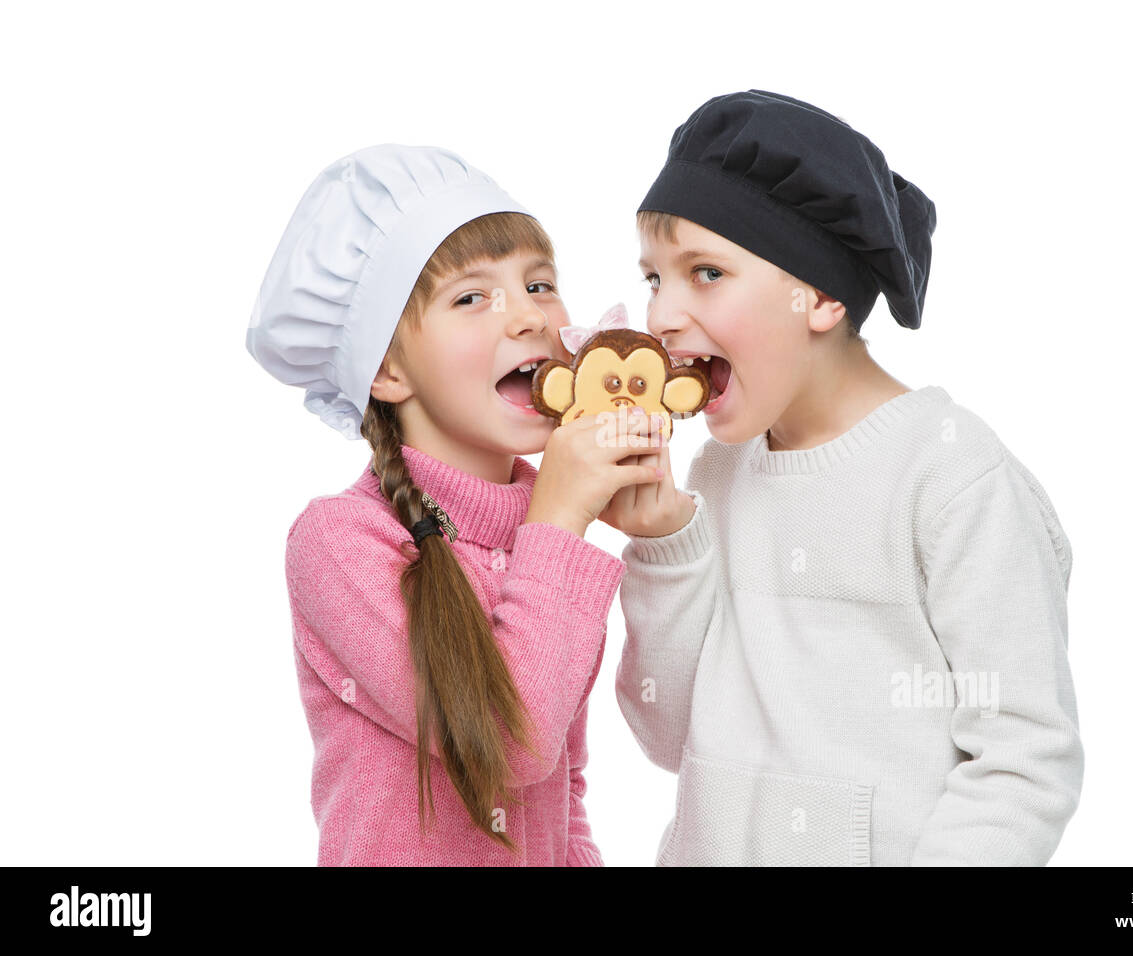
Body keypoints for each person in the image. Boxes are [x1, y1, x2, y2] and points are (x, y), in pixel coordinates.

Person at [604, 91, 1084, 866]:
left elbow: (1023, 760)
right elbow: (669, 737)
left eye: (705, 272)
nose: (660, 316)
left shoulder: (950, 475)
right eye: (654, 277)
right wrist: (665, 543)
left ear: (821, 295)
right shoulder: (718, 472)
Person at [246, 144, 661, 865]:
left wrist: (659, 535)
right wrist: (559, 521)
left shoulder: (544, 530)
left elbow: (562, 794)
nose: (528, 317)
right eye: (472, 298)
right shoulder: (342, 542)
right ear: (386, 369)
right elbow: (509, 745)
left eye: (540, 284)